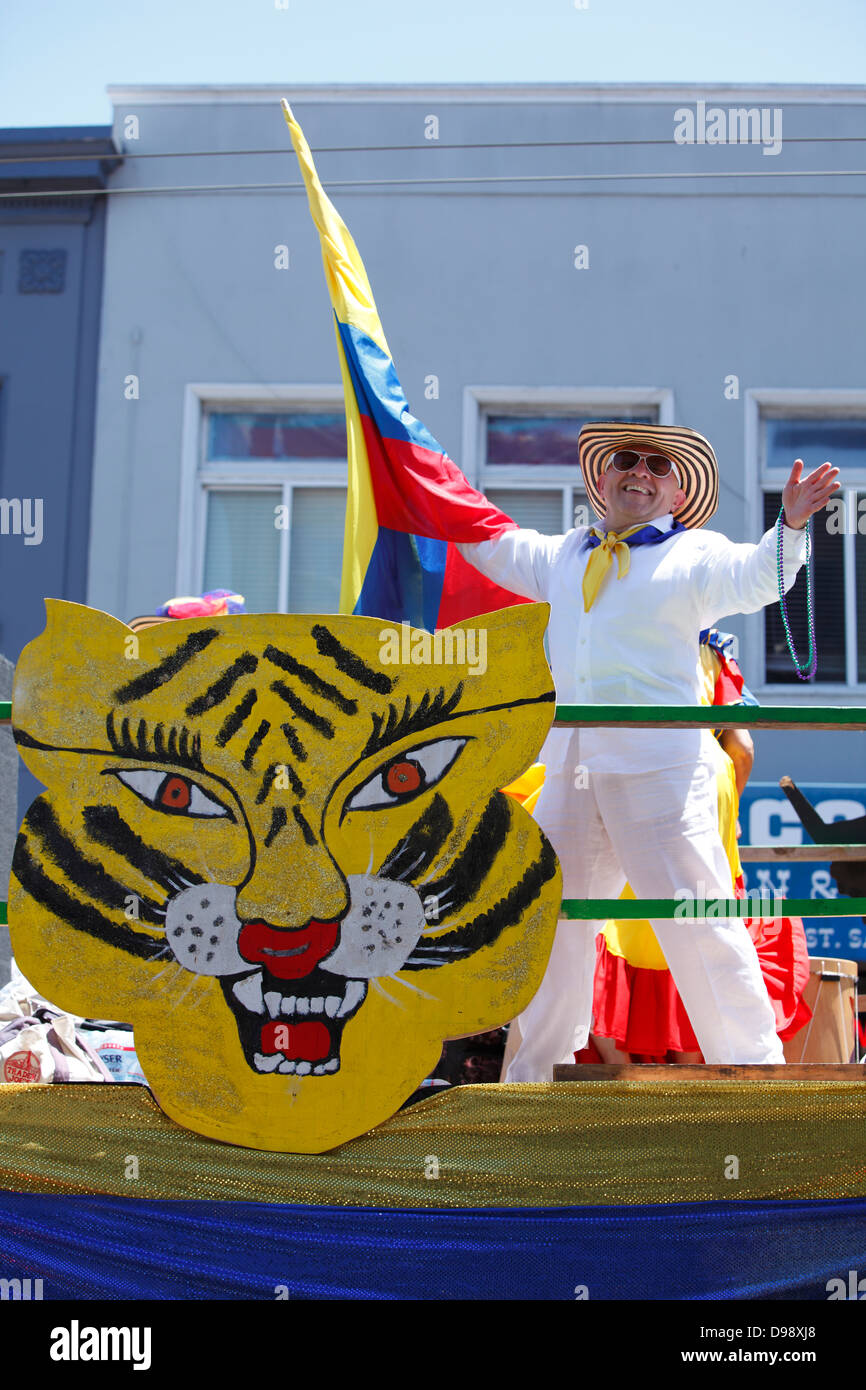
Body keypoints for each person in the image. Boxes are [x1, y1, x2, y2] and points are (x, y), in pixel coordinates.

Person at [456, 422, 839, 1081]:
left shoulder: (693, 556)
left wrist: (793, 525)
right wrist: (411, 479)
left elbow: (757, 579)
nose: (640, 472)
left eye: (658, 466)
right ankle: (532, 1082)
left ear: (678, 491)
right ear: (600, 479)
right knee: (552, 922)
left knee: (701, 922)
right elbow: (488, 544)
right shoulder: (565, 553)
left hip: (661, 774)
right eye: (626, 461)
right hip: (572, 771)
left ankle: (756, 1076)